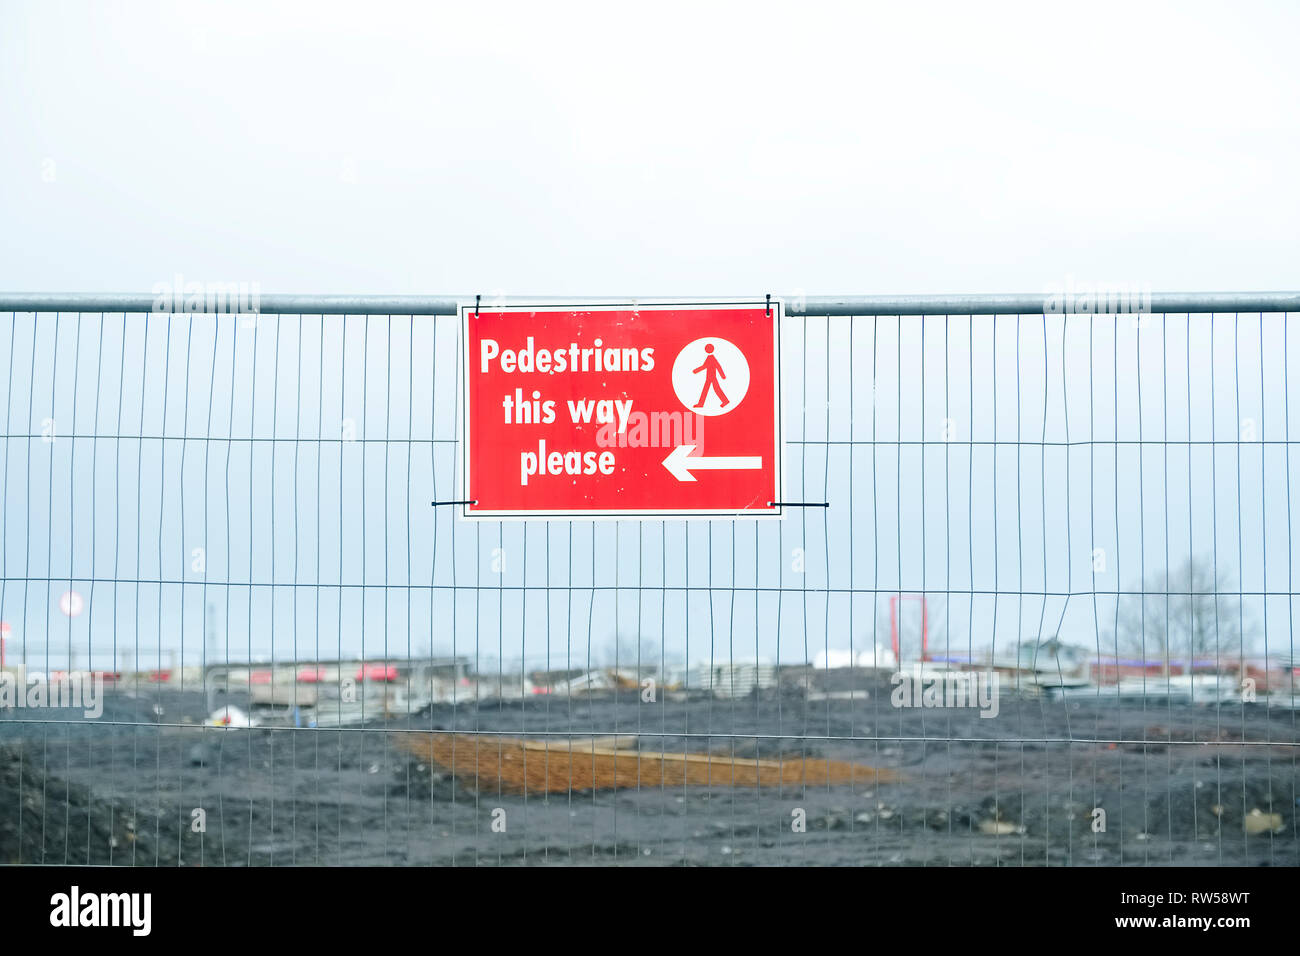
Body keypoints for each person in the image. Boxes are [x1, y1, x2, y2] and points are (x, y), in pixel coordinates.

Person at [692, 343, 729, 409]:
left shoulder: (711, 358)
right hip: (710, 377)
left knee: (715, 389)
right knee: (709, 389)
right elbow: (716, 366)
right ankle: (701, 403)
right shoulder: (710, 357)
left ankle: (725, 401)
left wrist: (696, 370)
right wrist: (722, 376)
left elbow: (707, 366)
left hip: (711, 377)